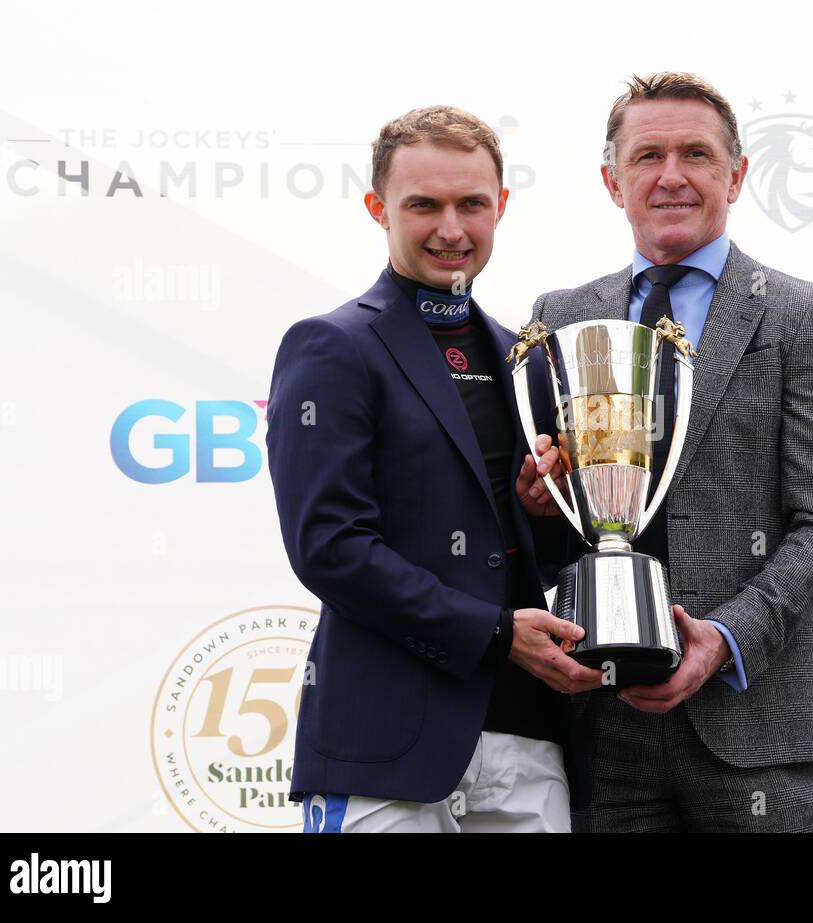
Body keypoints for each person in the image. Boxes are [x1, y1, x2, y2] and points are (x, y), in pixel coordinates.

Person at [523, 73, 813, 832]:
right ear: (613, 181)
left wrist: (726, 638)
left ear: (736, 174)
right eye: (647, 156)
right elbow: (557, 539)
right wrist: (538, 506)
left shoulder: (805, 317)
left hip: (753, 719)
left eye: (696, 155)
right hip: (600, 726)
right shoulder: (561, 317)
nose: (670, 176)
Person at [266, 105, 602, 833]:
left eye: (472, 204)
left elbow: (530, 560)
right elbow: (330, 547)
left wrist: (544, 517)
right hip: (384, 744)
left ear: (501, 207)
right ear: (378, 209)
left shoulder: (528, 360)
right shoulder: (332, 347)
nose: (452, 228)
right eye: (424, 204)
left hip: (527, 741)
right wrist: (491, 633)